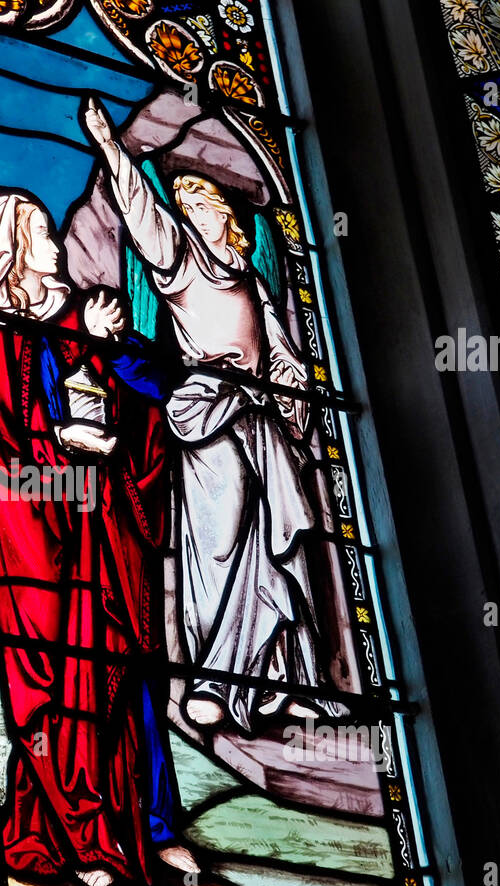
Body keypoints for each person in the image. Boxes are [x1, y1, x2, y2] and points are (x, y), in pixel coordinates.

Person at [0, 191, 197, 886]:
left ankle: (149, 829)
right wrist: (59, 448)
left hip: (106, 525)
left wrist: (105, 343)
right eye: (36, 228)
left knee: (130, 673)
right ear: (8, 243)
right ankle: (78, 833)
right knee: (57, 685)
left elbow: (147, 391)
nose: (52, 236)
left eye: (47, 221)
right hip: (39, 542)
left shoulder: (80, 314)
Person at [84, 98, 343, 732]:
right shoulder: (180, 268)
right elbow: (144, 219)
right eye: (187, 211)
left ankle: (284, 679)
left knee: (280, 548)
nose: (192, 217)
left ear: (227, 221)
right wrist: (113, 151)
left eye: (203, 208)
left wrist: (290, 396)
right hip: (207, 420)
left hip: (260, 423)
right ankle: (216, 681)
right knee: (221, 549)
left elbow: (282, 357)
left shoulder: (252, 286)